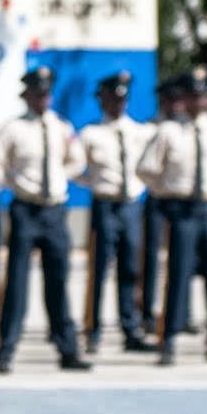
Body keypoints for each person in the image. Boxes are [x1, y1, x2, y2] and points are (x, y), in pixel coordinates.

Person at [0, 66, 91, 374]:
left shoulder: (60, 127)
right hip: (26, 209)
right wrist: (12, 184)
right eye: (37, 93)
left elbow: (77, 160)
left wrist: (60, 178)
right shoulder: (14, 128)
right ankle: (6, 349)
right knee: (16, 282)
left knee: (58, 280)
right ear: (27, 95)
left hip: (54, 210)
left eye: (46, 93)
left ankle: (67, 348)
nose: (42, 98)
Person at [137, 66, 207, 365]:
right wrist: (165, 191)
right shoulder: (169, 131)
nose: (198, 102)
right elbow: (146, 169)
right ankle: (170, 339)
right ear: (184, 99)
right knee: (178, 275)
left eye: (202, 96)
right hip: (183, 210)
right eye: (192, 96)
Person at [76, 71, 157, 354]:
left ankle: (129, 327)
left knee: (130, 269)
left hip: (131, 204)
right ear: (102, 100)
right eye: (112, 99)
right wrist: (94, 183)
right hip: (105, 204)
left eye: (122, 99)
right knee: (99, 268)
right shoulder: (91, 134)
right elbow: (74, 168)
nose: (118, 104)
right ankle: (93, 328)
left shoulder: (140, 132)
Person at [140, 75, 187, 335]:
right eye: (170, 100)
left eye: (178, 100)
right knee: (150, 256)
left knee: (182, 259)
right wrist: (158, 188)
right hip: (158, 199)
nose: (175, 105)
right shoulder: (151, 128)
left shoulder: (187, 128)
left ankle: (182, 314)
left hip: (182, 202)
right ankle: (148, 311)